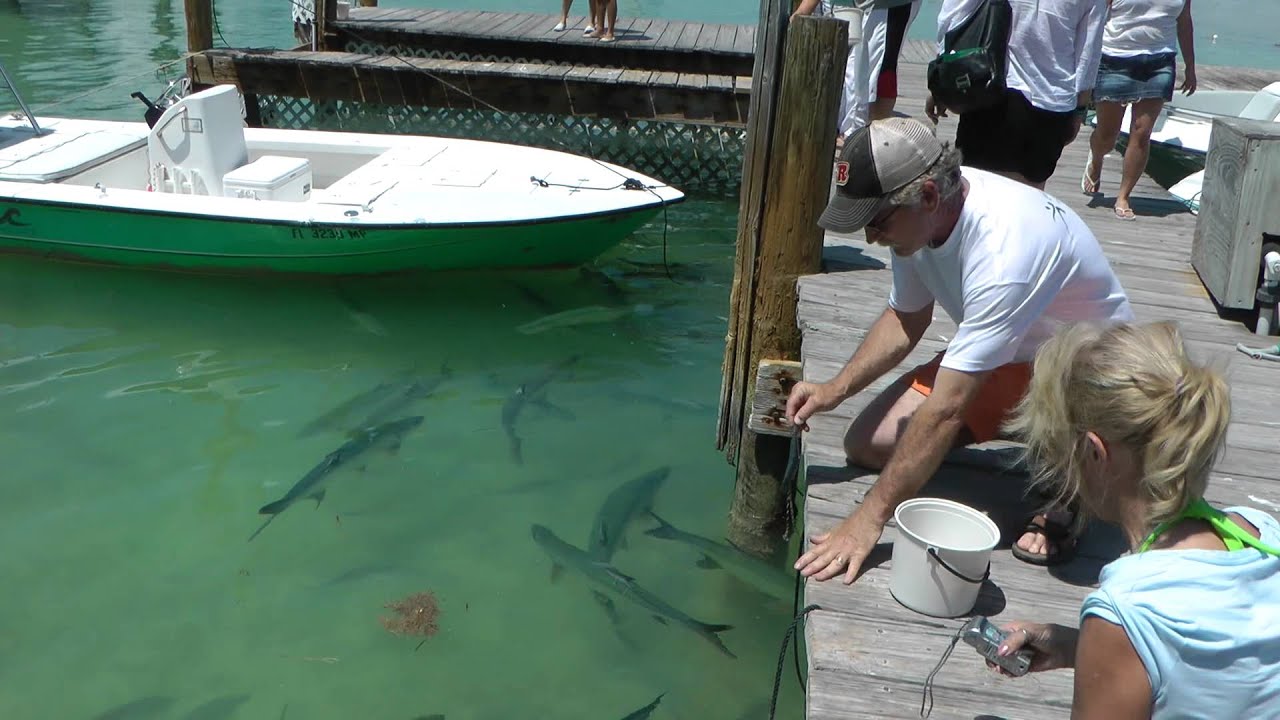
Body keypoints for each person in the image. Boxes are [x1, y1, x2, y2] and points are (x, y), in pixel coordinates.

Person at [786, 117, 1133, 581]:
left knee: (948, 420)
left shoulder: (1004, 248)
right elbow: (907, 317)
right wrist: (835, 390)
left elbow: (947, 408)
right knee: (867, 444)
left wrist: (867, 520)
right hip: (1009, 359)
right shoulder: (915, 222)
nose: (870, 237)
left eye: (876, 221)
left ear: (929, 195)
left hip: (1084, 371)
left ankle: (1068, 479)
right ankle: (1031, 430)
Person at [989, 320, 1280, 718]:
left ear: (1095, 453)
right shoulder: (1262, 533)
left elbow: (1150, 629)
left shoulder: (1128, 609)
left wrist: (1103, 647)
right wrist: (1076, 647)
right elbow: (1217, 671)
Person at [926, 0, 1108, 189]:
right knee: (1029, 197)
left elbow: (954, 14)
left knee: (976, 195)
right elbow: (1088, 55)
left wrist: (942, 80)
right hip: (1052, 100)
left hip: (990, 87)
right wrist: (1079, 111)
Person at [1083, 0, 1197, 220]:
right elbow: (1095, 17)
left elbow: (1184, 21)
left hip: (1160, 62)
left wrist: (1190, 66)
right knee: (1107, 134)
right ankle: (1097, 157)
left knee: (1141, 132)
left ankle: (1123, 196)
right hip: (1114, 59)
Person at [793, 1, 923, 142]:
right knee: (860, 66)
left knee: (877, 71)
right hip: (862, 6)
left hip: (888, 5)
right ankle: (859, 136)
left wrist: (803, 10)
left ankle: (861, 137)